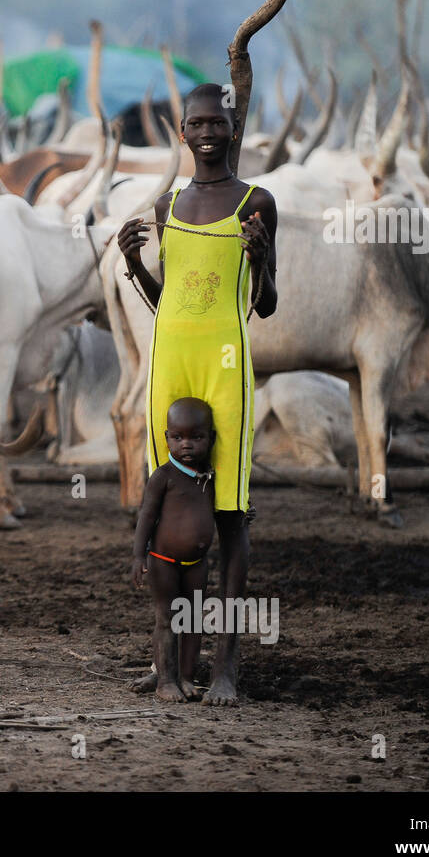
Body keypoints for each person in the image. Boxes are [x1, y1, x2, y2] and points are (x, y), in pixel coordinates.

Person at [117, 82, 278, 706]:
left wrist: (260, 260)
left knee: (230, 511)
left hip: (226, 363)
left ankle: (227, 667)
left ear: (232, 130)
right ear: (181, 132)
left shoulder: (258, 202)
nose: (207, 132)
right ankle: (171, 665)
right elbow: (166, 303)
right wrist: (134, 265)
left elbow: (264, 304)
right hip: (170, 363)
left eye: (218, 122)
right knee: (168, 508)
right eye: (196, 123)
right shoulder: (169, 203)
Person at [131, 397, 218, 701]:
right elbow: (146, 516)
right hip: (163, 561)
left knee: (193, 619)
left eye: (197, 437)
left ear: (211, 438)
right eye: (178, 437)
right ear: (166, 438)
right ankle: (165, 680)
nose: (187, 445)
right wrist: (138, 555)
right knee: (167, 618)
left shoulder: (211, 476)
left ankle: (186, 677)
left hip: (197, 563)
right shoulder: (163, 477)